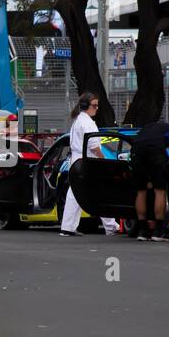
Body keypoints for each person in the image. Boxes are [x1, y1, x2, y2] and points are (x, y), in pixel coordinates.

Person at [60, 93, 118, 237]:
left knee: (75, 194)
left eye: (97, 105)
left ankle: (68, 227)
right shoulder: (87, 123)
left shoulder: (79, 120)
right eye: (94, 105)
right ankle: (111, 226)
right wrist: (103, 160)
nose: (96, 108)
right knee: (99, 192)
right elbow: (94, 145)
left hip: (77, 161)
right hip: (87, 161)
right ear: (86, 106)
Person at [129, 120, 169, 241]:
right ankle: (158, 231)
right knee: (160, 191)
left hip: (136, 152)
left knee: (141, 191)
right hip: (155, 153)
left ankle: (142, 231)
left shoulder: (146, 129)